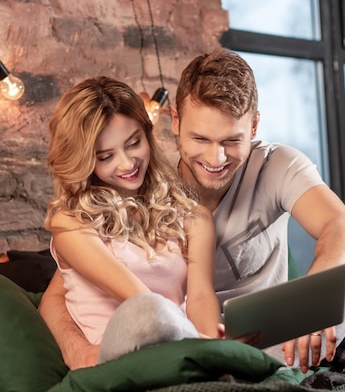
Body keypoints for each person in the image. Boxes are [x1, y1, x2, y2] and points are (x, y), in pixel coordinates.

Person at [40, 49, 345, 373]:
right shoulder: (111, 201)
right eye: (200, 138)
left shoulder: (216, 197)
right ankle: (232, 366)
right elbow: (65, 291)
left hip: (236, 331)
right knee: (152, 313)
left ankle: (253, 369)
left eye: (230, 141)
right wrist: (79, 351)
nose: (216, 158)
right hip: (166, 332)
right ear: (176, 122)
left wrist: (309, 306)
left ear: (254, 127)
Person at [42, 76, 222, 365]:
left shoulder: (194, 216)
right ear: (85, 161)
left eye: (134, 143)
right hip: (115, 362)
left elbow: (201, 296)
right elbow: (140, 300)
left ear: (147, 133)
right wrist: (200, 348)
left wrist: (214, 344)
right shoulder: (70, 224)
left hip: (180, 354)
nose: (127, 164)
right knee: (148, 315)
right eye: (105, 156)